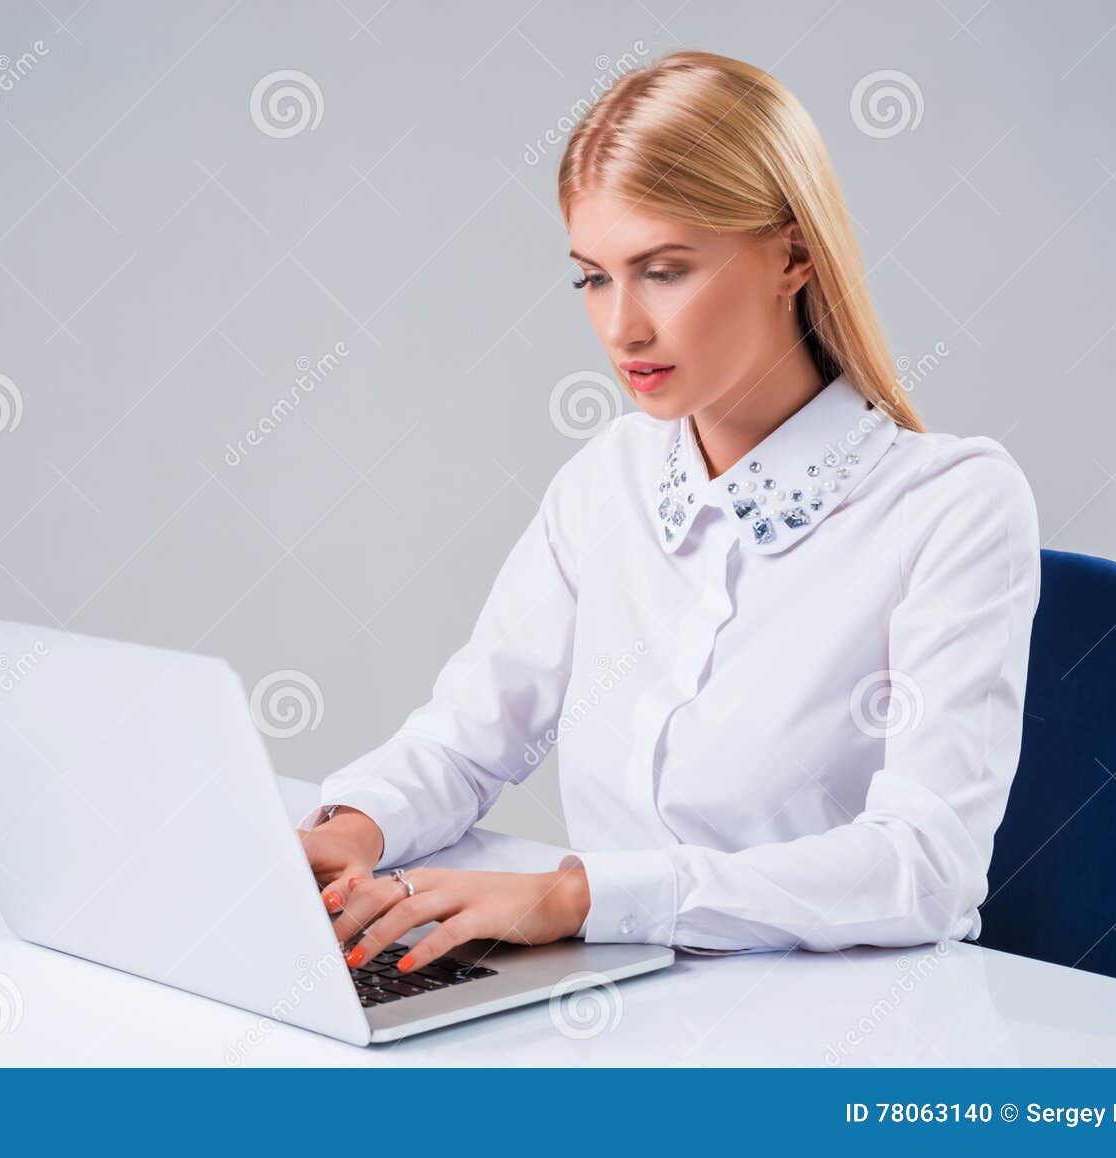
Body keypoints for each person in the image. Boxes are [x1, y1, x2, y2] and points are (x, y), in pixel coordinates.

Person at [295, 50, 1041, 980]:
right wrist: (356, 827)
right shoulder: (606, 478)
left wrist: (580, 897)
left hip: (843, 1029)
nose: (621, 329)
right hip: (614, 1001)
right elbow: (468, 737)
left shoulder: (953, 506)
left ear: (795, 255)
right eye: (594, 278)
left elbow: (925, 867)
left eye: (664, 270)